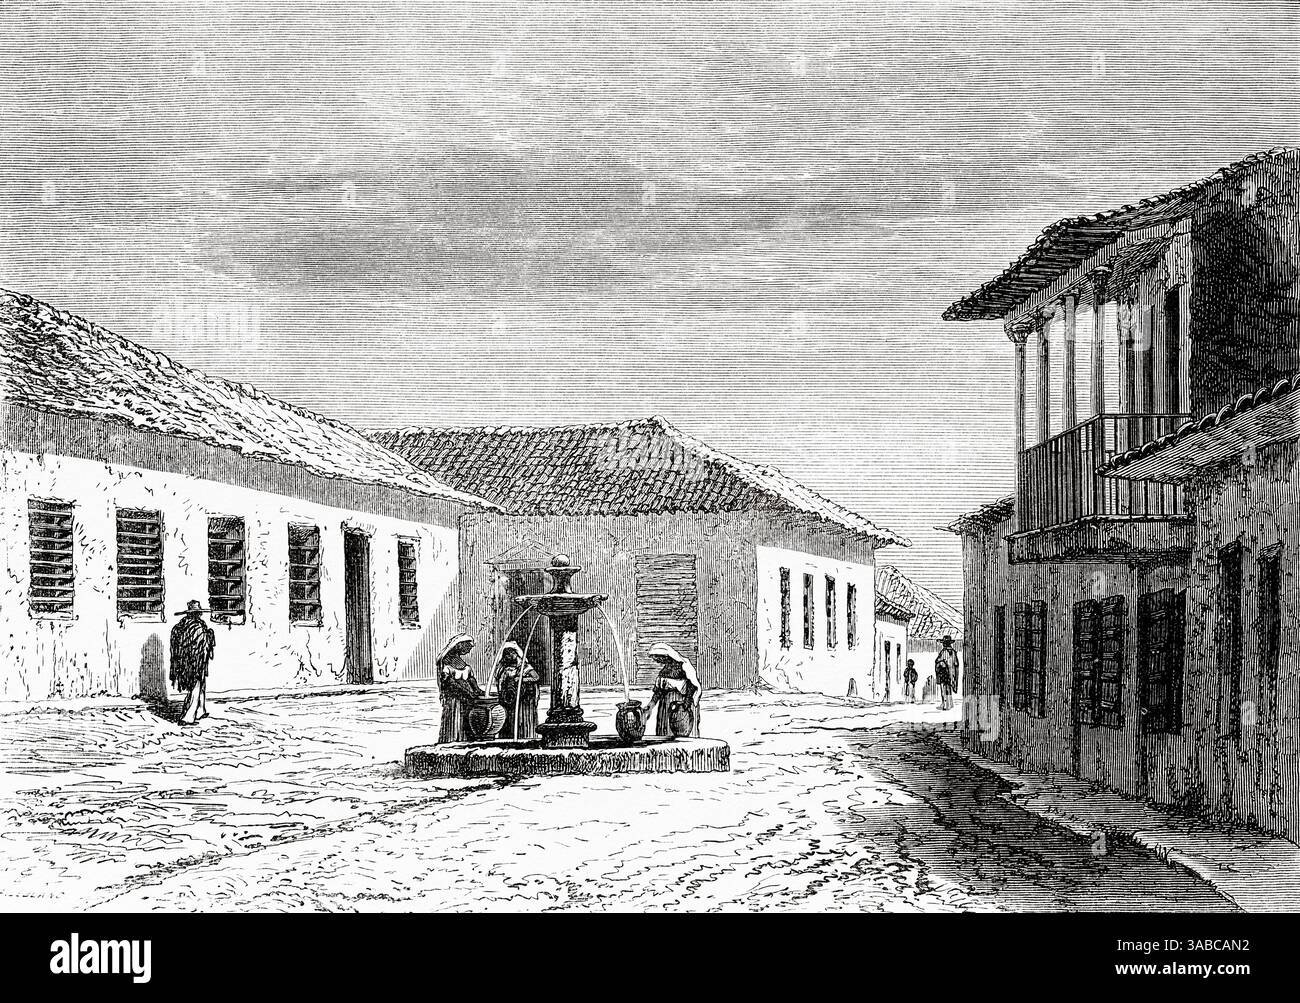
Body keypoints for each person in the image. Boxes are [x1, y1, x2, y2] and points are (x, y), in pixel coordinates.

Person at [642, 642, 702, 738]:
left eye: (657, 658)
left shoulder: (684, 666)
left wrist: (686, 704)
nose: (656, 661)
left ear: (665, 656)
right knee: (666, 732)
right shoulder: (664, 671)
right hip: (666, 706)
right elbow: (658, 691)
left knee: (682, 732)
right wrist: (650, 706)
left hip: (681, 705)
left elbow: (692, 686)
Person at [170, 600, 215, 726]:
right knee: (195, 687)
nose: (199, 614)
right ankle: (187, 717)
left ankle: (200, 710)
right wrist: (209, 636)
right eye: (198, 612)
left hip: (184, 662)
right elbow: (201, 645)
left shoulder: (180, 626)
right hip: (195, 662)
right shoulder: (197, 627)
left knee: (200, 685)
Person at [436, 633, 483, 743]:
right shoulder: (445, 661)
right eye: (467, 647)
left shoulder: (462, 662)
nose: (468, 650)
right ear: (459, 645)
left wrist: (478, 691)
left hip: (466, 698)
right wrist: (466, 692)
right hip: (454, 699)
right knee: (454, 720)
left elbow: (470, 678)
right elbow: (449, 683)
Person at [493, 640, 541, 741]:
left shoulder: (524, 666)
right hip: (508, 700)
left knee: (521, 720)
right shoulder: (502, 669)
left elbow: (536, 677)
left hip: (522, 700)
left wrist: (521, 679)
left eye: (512, 653)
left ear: (517, 653)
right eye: (507, 653)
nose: (510, 655)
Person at [935, 635, 960, 711]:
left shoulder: (944, 652)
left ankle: (946, 704)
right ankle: (949, 703)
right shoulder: (953, 652)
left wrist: (940, 664)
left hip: (944, 673)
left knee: (944, 688)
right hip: (951, 673)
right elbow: (956, 663)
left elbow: (938, 661)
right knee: (949, 687)